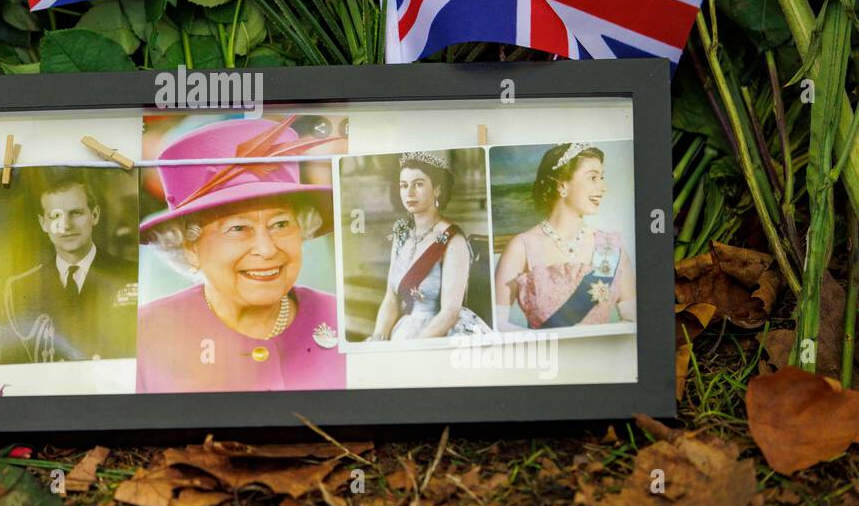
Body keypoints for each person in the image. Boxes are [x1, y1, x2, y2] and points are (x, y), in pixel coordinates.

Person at [137, 116, 345, 393]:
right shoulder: (146, 334)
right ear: (190, 247)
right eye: (238, 228)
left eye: (281, 224)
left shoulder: (343, 318)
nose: (267, 249)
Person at [493, 142, 637, 330]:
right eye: (593, 178)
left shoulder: (610, 247)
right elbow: (496, 325)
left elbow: (633, 321)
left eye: (602, 177)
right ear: (562, 184)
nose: (603, 187)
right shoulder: (521, 247)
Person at [0, 171, 138, 363]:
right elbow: (14, 362)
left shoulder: (132, 275)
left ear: (95, 215)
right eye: (55, 216)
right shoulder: (19, 289)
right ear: (44, 223)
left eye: (76, 213)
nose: (65, 225)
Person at [368, 152, 490, 341]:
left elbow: (449, 312)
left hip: (441, 332)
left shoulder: (453, 240)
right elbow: (391, 298)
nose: (409, 193)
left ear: (437, 190)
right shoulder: (401, 234)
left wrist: (415, 348)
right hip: (405, 330)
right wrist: (378, 339)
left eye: (418, 184)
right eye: (404, 185)